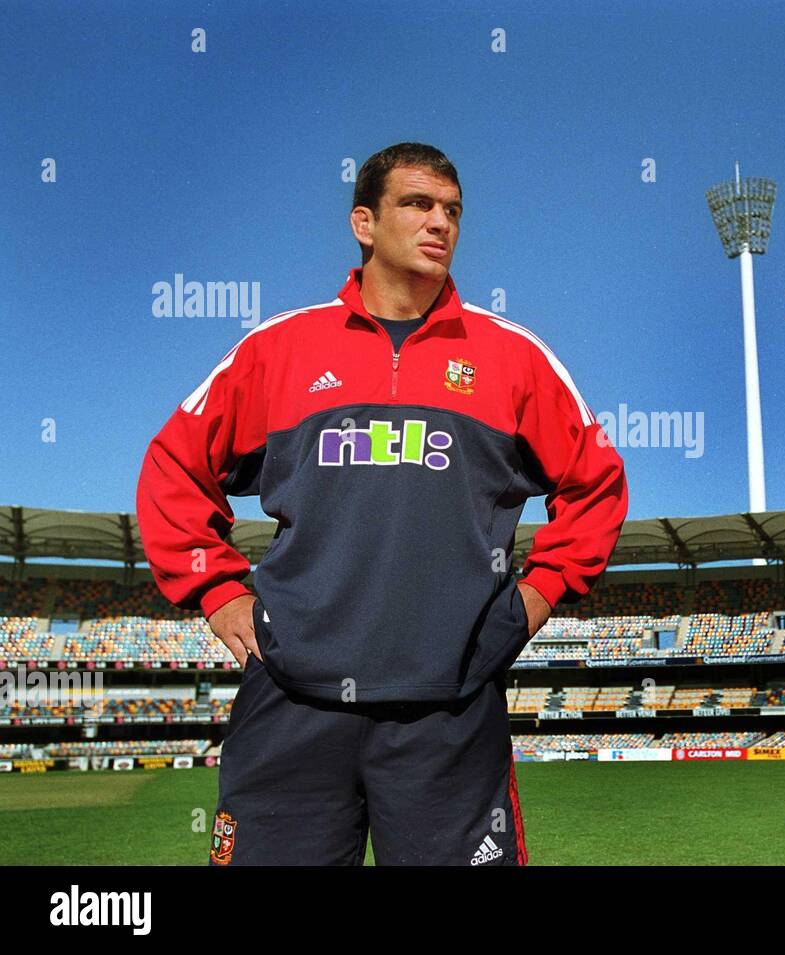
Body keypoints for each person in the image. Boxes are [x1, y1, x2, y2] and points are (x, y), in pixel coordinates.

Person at [135, 142, 629, 865]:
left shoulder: (513, 357)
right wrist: (215, 590)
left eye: (453, 210)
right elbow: (174, 463)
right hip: (292, 705)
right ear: (363, 222)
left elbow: (597, 486)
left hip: (447, 714)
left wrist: (537, 595)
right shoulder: (280, 350)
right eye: (418, 204)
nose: (441, 223)